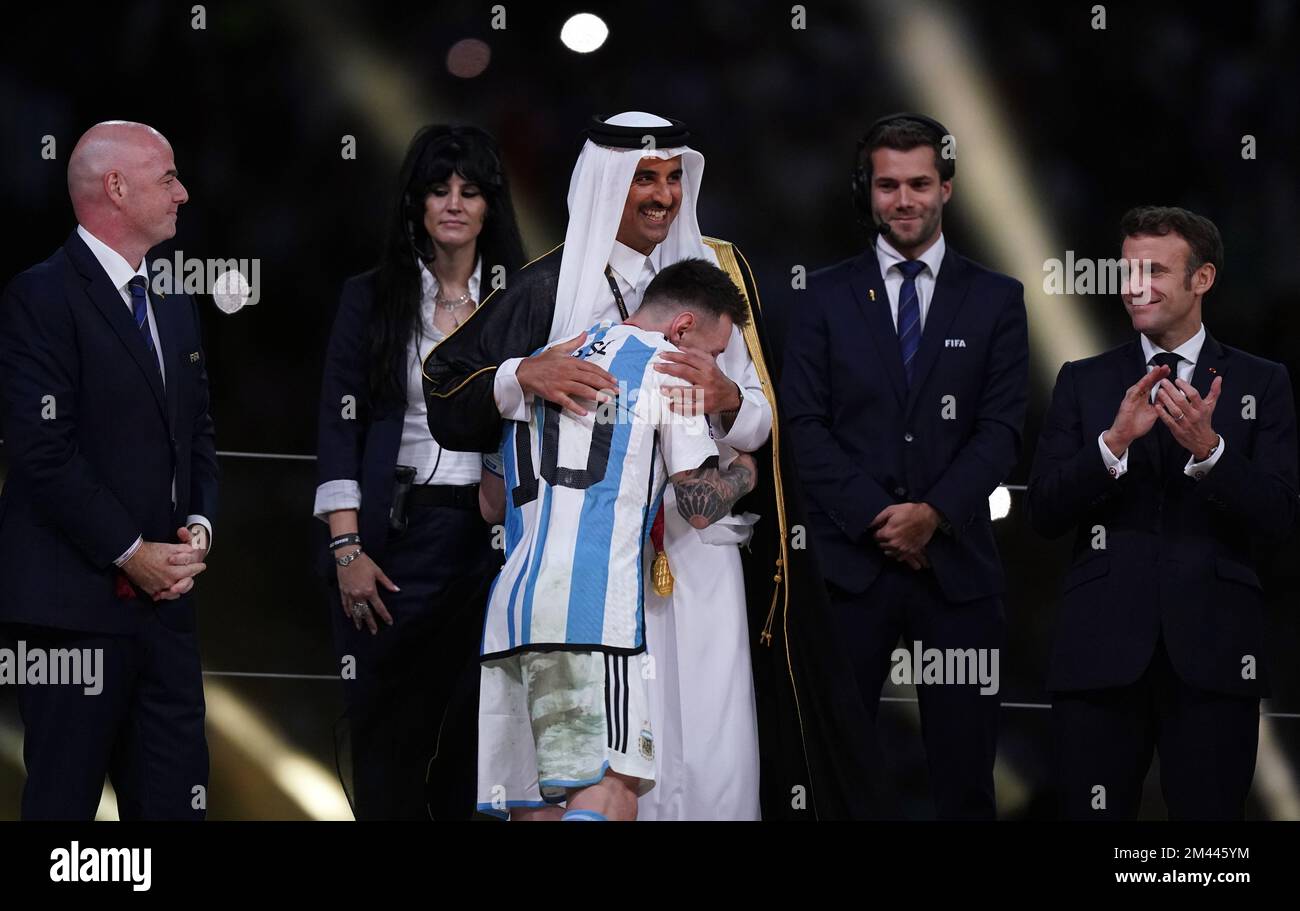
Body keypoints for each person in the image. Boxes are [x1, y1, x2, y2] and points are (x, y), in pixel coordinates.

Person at [424, 112, 875, 819]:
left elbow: (762, 416)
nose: (663, 195)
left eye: (673, 176)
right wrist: (522, 372)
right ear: (607, 184)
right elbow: (448, 387)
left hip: (680, 565)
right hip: (609, 576)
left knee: (694, 755)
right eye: (644, 178)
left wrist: (728, 397)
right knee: (615, 780)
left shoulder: (722, 269)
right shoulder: (547, 287)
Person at [781, 113, 1029, 819]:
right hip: (848, 571)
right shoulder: (822, 295)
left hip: (958, 571)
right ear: (869, 191)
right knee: (834, 775)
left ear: (947, 188)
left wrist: (933, 515)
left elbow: (1001, 430)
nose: (904, 199)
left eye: (919, 182)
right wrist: (879, 519)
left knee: (966, 779)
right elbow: (803, 425)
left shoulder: (997, 299)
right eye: (888, 184)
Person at [1028, 206, 1298, 820]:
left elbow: (1280, 517)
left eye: (1153, 270)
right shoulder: (1082, 380)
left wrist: (1212, 452)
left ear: (1201, 280)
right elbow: (1043, 510)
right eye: (1127, 270)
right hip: (1098, 655)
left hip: (1215, 654)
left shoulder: (1262, 382)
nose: (1133, 286)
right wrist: (1112, 445)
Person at [475, 259, 757, 820]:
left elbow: (488, 501)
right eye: (716, 350)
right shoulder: (669, 370)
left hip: (510, 613)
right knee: (611, 794)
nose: (713, 367)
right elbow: (699, 506)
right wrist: (744, 468)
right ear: (681, 330)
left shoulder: (542, 363)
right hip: (591, 613)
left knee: (537, 804)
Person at [0, 120, 217, 819]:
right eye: (168, 178)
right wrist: (131, 552)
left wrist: (199, 530)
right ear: (116, 188)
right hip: (73, 618)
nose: (183, 192)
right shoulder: (39, 298)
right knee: (63, 812)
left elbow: (199, 434)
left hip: (168, 619)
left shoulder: (174, 300)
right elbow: (42, 452)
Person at [314, 124, 524, 819]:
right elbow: (338, 425)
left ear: (492, 205)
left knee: (481, 746)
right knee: (385, 746)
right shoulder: (370, 297)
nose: (454, 204)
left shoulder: (524, 302)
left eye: (469, 190)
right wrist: (348, 548)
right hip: (395, 540)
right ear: (417, 203)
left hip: (496, 543)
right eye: (439, 190)